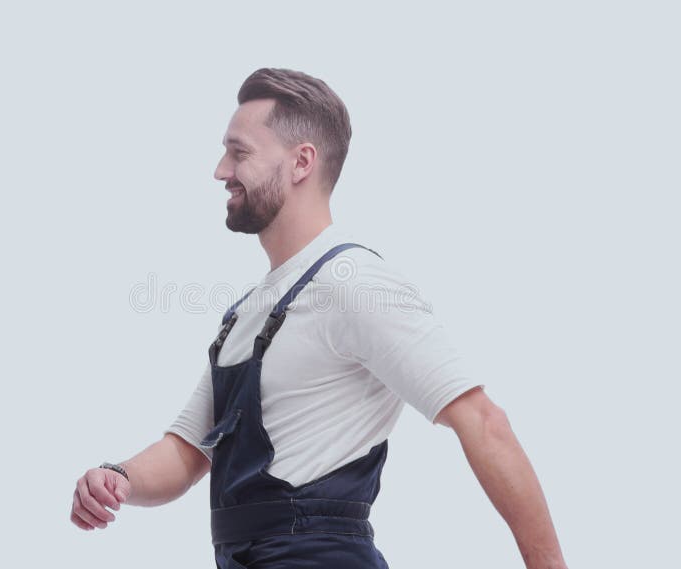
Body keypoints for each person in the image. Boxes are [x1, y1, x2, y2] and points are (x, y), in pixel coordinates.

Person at [70, 68, 568, 569]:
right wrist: (118, 478)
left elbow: (483, 421)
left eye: (239, 152)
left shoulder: (357, 284)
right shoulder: (243, 315)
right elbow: (186, 452)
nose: (221, 170)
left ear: (301, 162)